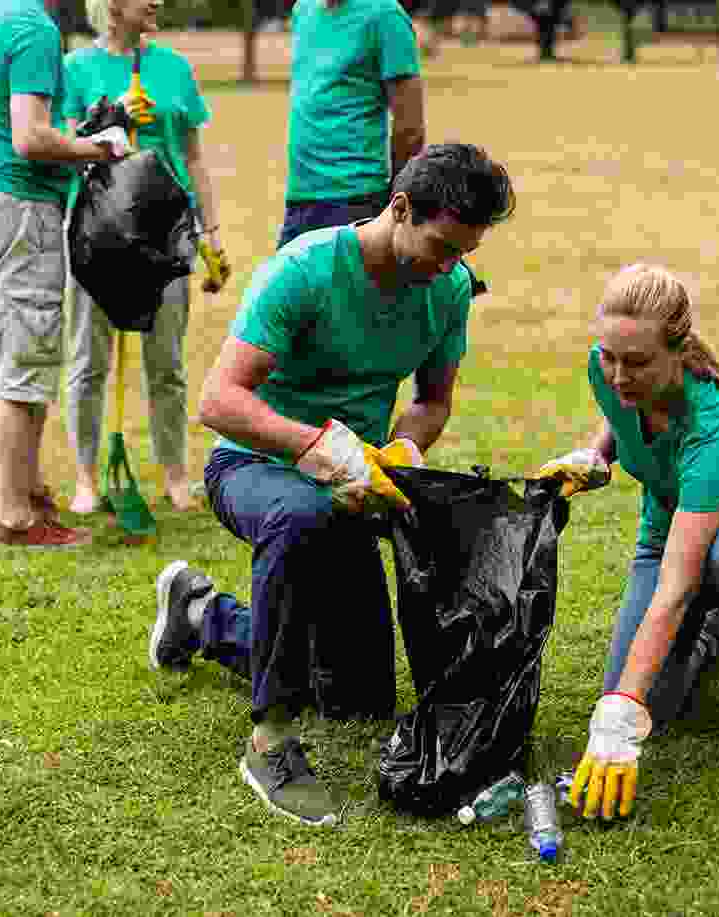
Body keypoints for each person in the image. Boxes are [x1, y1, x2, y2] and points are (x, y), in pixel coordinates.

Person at [146, 144, 516, 827]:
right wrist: (320, 449)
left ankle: (200, 615)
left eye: (464, 252)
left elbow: (433, 400)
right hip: (256, 467)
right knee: (300, 515)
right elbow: (219, 401)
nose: (449, 266)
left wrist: (401, 450)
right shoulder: (306, 270)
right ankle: (269, 742)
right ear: (400, 208)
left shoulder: (449, 289)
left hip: (356, 486)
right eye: (441, 245)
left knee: (356, 698)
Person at [534, 264, 719, 822]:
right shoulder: (608, 370)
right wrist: (598, 455)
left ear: (679, 353)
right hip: (670, 538)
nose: (616, 375)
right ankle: (717, 633)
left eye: (636, 362)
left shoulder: (718, 423)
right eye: (609, 356)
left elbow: (675, 587)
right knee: (656, 704)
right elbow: (621, 411)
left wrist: (617, 722)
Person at [0, 0, 125, 549]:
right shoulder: (34, 28)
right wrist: (100, 148)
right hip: (21, 208)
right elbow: (30, 138)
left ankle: (26, 489)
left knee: (24, 357)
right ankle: (17, 517)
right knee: (25, 371)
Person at [62, 0, 231, 514]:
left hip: (166, 229)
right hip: (98, 230)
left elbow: (194, 156)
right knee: (89, 362)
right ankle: (87, 480)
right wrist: (111, 116)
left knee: (168, 364)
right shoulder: (76, 69)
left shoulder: (175, 68)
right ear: (112, 4)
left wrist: (212, 231)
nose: (157, 1)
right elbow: (66, 145)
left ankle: (176, 477)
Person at [277, 0, 427, 250]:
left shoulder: (385, 15)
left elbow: (410, 127)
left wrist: (392, 205)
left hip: (355, 201)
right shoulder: (303, 10)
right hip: (300, 199)